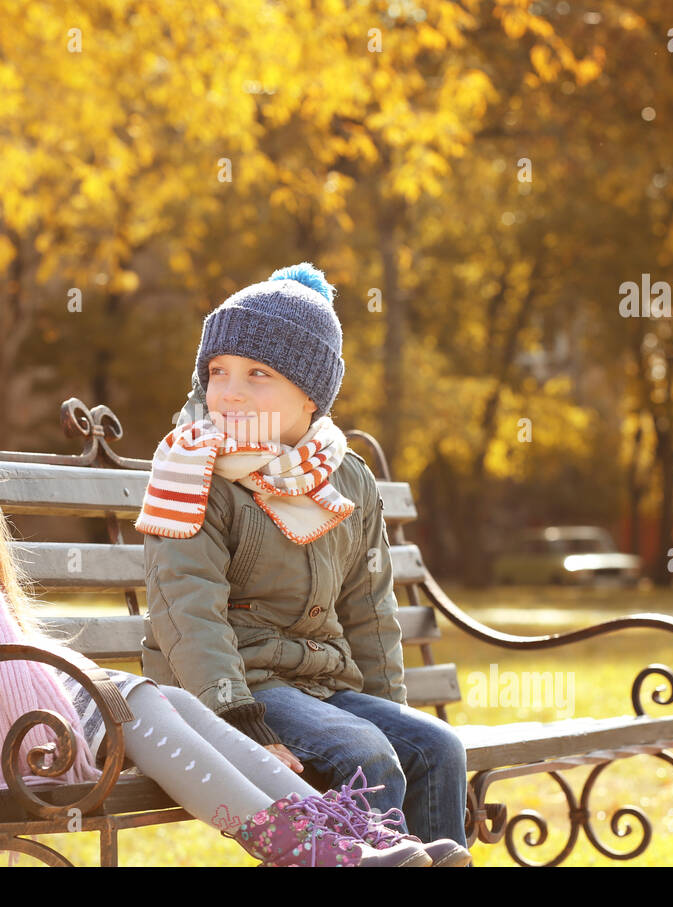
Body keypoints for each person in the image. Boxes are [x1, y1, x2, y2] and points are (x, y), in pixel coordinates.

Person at [0, 280, 445, 867]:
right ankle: (312, 850)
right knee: (135, 707)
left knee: (161, 702)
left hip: (9, 690)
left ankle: (330, 837)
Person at [136, 263, 472, 865]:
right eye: (217, 372)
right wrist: (237, 716)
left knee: (435, 745)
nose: (230, 391)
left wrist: (391, 708)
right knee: (364, 753)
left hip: (321, 684)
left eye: (257, 375)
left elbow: (368, 610)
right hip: (237, 685)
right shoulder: (192, 469)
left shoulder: (345, 477)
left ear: (311, 394)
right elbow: (185, 604)